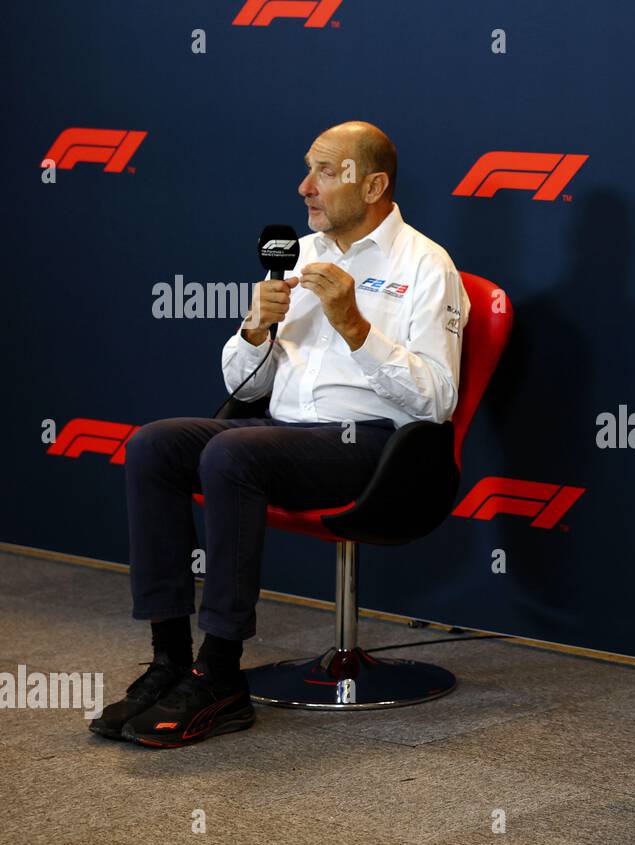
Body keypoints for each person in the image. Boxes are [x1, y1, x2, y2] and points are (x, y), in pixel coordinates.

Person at [91, 121, 469, 747]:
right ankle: (168, 660)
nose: (305, 187)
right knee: (154, 443)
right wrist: (254, 332)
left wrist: (354, 326)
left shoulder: (426, 266)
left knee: (233, 450)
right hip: (282, 434)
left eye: (324, 171)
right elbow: (244, 390)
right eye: (307, 169)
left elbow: (437, 401)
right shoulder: (301, 253)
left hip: (377, 449)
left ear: (372, 184)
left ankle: (219, 674)